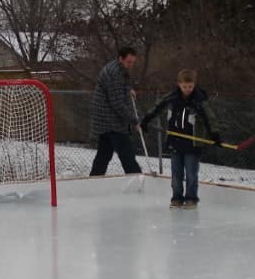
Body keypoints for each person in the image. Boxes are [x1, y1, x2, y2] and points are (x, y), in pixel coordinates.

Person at [140, 69, 221, 208]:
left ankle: (191, 199)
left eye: (190, 86)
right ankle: (176, 198)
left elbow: (210, 118)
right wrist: (146, 120)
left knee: (191, 174)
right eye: (184, 86)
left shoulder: (199, 100)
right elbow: (158, 107)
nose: (187, 89)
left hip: (192, 143)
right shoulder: (172, 97)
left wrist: (214, 134)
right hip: (175, 141)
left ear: (194, 84)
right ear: (179, 84)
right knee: (176, 175)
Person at [89, 46, 143, 176]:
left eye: (132, 62)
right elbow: (117, 104)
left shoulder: (118, 68)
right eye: (129, 62)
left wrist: (128, 89)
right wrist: (134, 121)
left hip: (105, 120)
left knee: (104, 155)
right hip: (111, 121)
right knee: (127, 155)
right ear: (121, 58)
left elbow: (121, 86)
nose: (131, 65)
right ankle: (136, 180)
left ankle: (93, 180)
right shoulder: (115, 74)